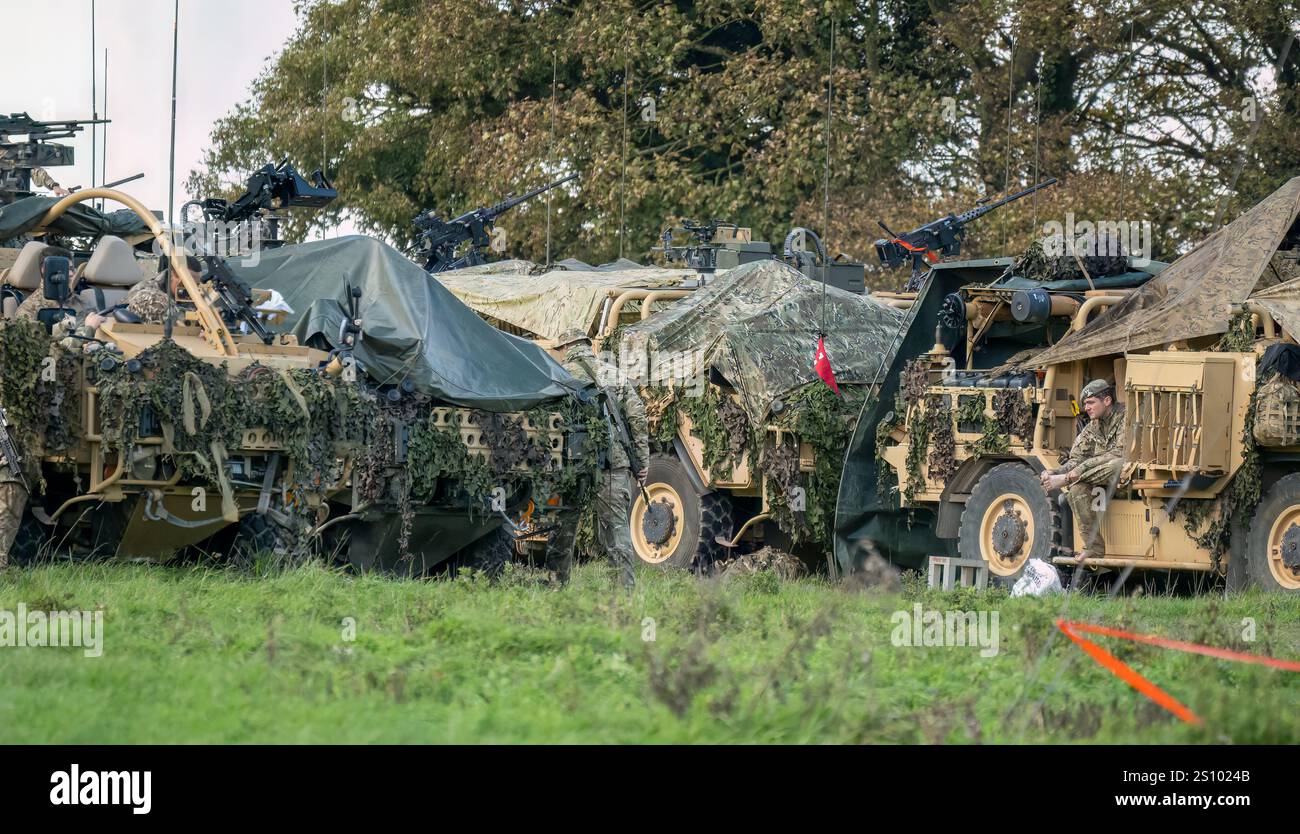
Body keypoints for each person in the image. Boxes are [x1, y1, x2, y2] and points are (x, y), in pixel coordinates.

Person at [547, 330, 648, 589]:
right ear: (587, 346)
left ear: (567, 347)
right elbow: (637, 416)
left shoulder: (558, 375)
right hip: (612, 463)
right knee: (616, 529)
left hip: (570, 463)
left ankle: (557, 585)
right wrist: (642, 462)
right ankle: (624, 592)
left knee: (563, 525)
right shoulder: (612, 373)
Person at [1039, 378, 1126, 560]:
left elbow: (1120, 453)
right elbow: (1075, 460)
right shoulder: (1091, 428)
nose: (1086, 407)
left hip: (1125, 474)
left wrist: (1074, 474)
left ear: (1107, 400)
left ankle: (1068, 480)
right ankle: (1093, 548)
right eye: (1085, 403)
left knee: (1117, 464)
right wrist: (1055, 472)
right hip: (1098, 479)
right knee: (1077, 489)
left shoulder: (1125, 417)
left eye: (1091, 402)